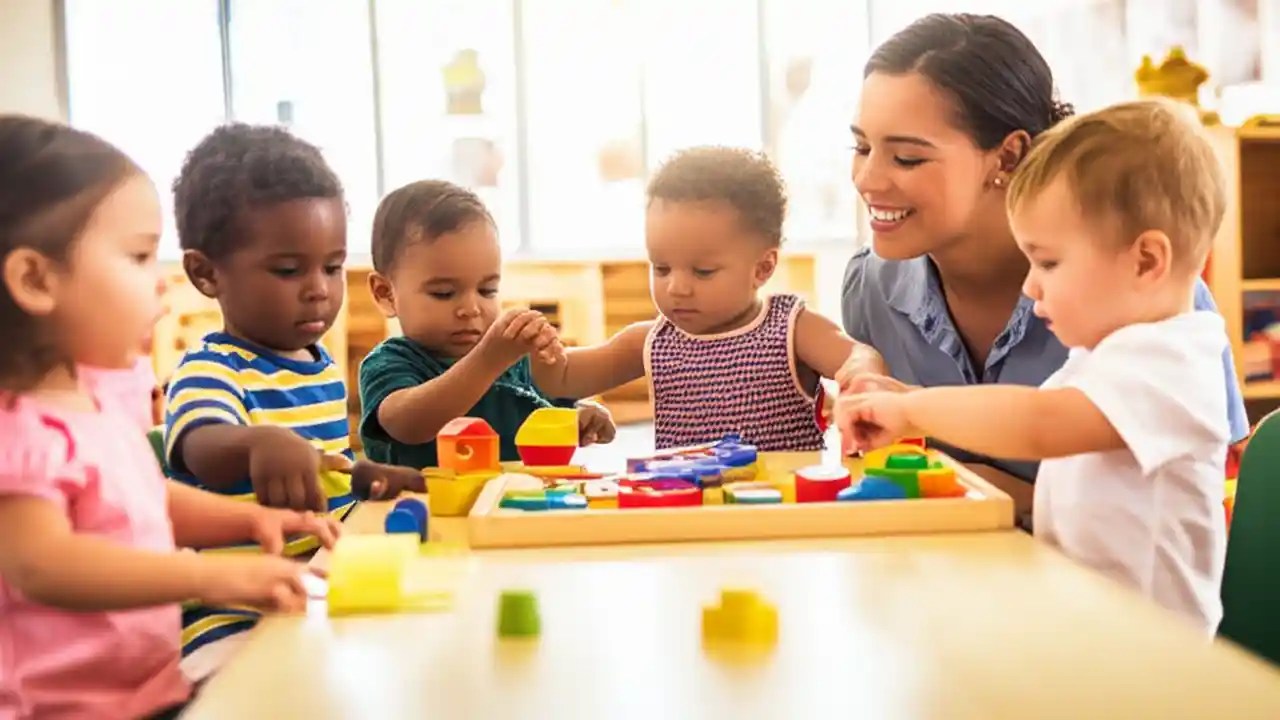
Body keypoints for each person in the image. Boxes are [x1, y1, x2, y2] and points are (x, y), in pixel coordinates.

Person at [839, 99, 1231, 635]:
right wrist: (905, 399)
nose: (1030, 286)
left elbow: (1038, 424)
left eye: (1048, 262)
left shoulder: (1171, 361)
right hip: (1091, 628)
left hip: (1152, 649)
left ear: (1146, 261)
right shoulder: (1102, 357)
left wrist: (913, 410)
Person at [0, 115, 332, 719]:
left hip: (150, 690)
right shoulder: (18, 428)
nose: (161, 285)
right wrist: (207, 578)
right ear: (35, 280)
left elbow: (142, 497)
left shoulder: (99, 394)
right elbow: (40, 563)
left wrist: (250, 519)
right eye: (138, 257)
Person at [838, 13, 1247, 487]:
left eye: (907, 157)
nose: (867, 179)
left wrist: (926, 426)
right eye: (861, 148)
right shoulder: (869, 287)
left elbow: (1214, 488)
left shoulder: (1145, 298)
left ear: (1008, 155)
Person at [165, 123, 422, 672]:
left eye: (332, 266)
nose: (319, 289)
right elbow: (199, 447)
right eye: (288, 270)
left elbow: (323, 471)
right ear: (206, 274)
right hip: (234, 616)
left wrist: (365, 477)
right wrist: (258, 443)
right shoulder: (211, 369)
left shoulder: (319, 365)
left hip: (318, 591)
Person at [531, 146, 883, 451]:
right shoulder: (652, 340)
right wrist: (541, 351)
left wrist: (860, 375)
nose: (676, 288)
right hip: (686, 502)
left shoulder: (790, 328)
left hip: (780, 502)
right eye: (662, 268)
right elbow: (563, 378)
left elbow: (858, 355)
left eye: (702, 272)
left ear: (762, 268)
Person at [358, 180, 616, 468]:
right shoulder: (391, 363)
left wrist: (575, 419)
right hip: (422, 498)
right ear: (386, 293)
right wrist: (489, 359)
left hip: (512, 497)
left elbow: (538, 416)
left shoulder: (515, 362)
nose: (471, 309)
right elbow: (409, 424)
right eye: (443, 293)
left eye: (487, 290)